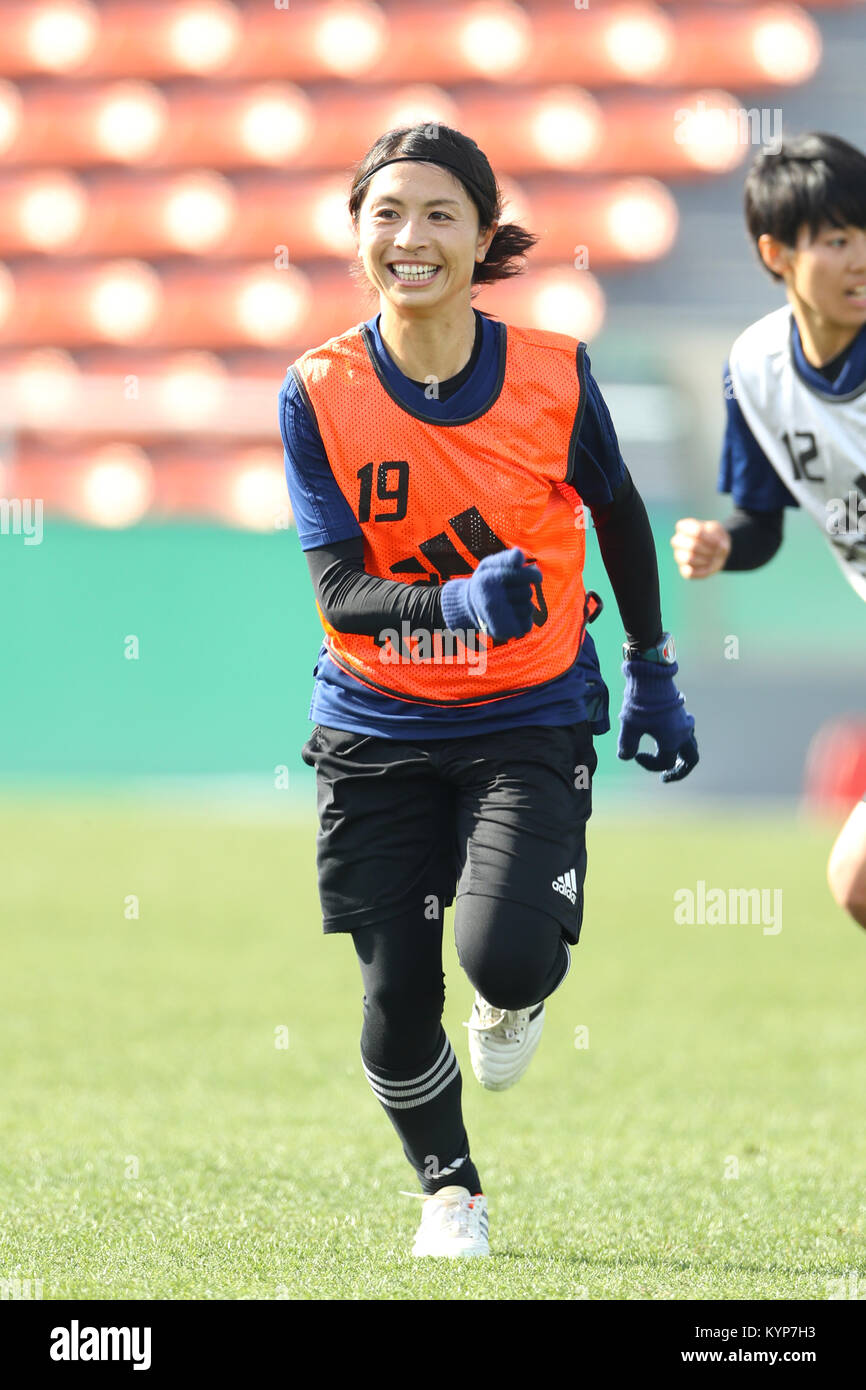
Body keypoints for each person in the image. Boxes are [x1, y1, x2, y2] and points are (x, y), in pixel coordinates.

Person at [279, 123, 698, 1258]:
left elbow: (616, 513)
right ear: (356, 232)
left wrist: (651, 668)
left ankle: (512, 1001)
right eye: (385, 214)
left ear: (479, 233)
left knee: (501, 955)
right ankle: (448, 1189)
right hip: (373, 720)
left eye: (438, 214)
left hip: (526, 708)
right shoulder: (316, 389)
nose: (409, 237)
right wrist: (451, 604)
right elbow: (337, 588)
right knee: (394, 996)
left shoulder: (553, 372)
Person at [671, 132, 866, 930]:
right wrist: (723, 544)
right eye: (836, 240)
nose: (861, 259)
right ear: (775, 253)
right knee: (858, 885)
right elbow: (763, 525)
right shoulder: (755, 368)